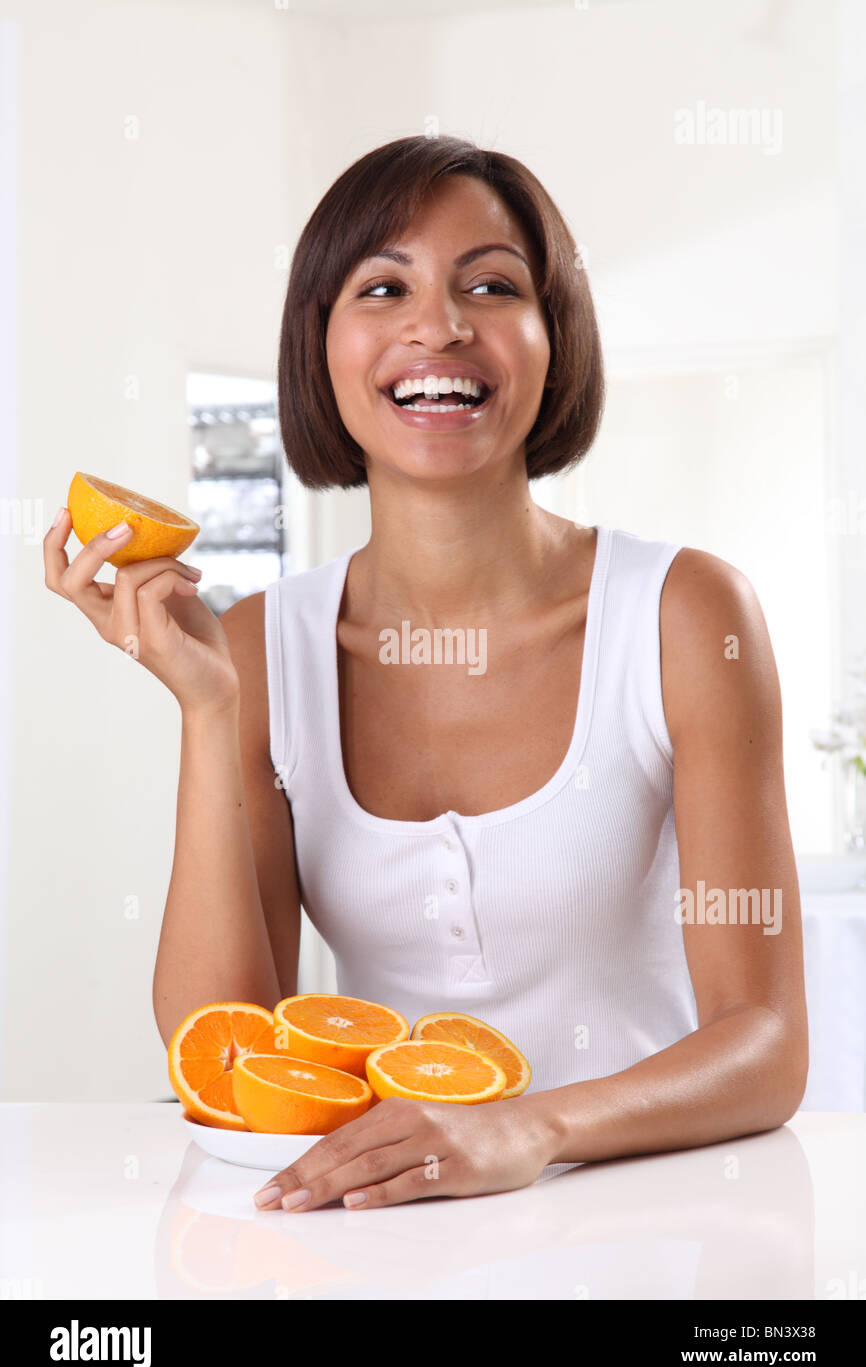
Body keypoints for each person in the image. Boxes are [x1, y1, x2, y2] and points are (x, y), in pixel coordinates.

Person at [44, 135, 808, 1215]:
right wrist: (210, 708)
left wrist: (526, 1126)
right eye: (383, 287)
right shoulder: (262, 645)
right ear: (321, 348)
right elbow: (223, 1046)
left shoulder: (683, 613)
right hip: (383, 1232)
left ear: (553, 339)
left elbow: (765, 1043)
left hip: (652, 1220)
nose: (438, 326)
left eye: (490, 285)